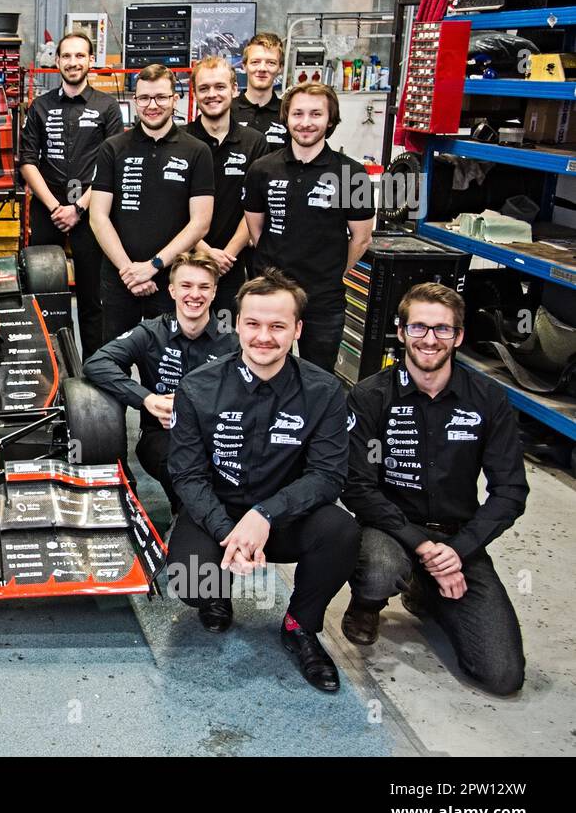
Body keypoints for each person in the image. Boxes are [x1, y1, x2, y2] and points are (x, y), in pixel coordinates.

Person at [166, 269, 359, 692]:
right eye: (253, 324)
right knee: (190, 581)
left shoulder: (324, 391)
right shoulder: (197, 388)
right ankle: (218, 589)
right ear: (237, 325)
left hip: (284, 518)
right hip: (216, 515)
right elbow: (186, 473)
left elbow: (328, 477)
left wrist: (265, 514)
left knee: (341, 530)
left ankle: (300, 625)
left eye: (277, 326)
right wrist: (228, 532)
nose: (263, 337)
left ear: (297, 329)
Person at [341, 283, 528, 695]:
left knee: (502, 676)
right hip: (390, 529)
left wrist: (456, 551)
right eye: (420, 327)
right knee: (381, 569)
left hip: (458, 538)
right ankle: (369, 602)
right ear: (401, 331)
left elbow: (510, 491)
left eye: (443, 330)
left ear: (458, 336)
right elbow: (357, 488)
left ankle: (427, 590)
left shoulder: (488, 399)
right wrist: (422, 546)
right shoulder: (370, 397)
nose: (430, 339)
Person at [82, 250, 238, 516]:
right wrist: (147, 399)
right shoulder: (151, 332)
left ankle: (199, 525)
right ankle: (189, 522)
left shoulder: (233, 342)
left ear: (214, 293)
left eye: (204, 287)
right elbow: (96, 364)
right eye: (186, 286)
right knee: (182, 465)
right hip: (161, 436)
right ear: (172, 290)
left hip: (216, 433)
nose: (195, 295)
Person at [243, 82, 374, 370]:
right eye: (297, 114)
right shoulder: (262, 169)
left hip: (323, 300)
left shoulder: (352, 173)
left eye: (315, 114)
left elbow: (362, 238)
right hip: (270, 296)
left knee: (319, 378)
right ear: (286, 118)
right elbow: (256, 231)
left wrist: (330, 272)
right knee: (264, 371)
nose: (305, 123)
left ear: (330, 120)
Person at [89, 63, 214, 342]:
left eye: (160, 97)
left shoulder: (197, 151)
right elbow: (98, 217)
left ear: (174, 99)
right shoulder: (113, 148)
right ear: (134, 101)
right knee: (113, 369)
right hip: (120, 280)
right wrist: (129, 272)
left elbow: (200, 223)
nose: (152, 105)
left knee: (166, 370)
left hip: (172, 282)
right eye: (144, 98)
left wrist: (153, 266)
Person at [18, 31, 123, 357]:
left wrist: (78, 207)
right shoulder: (40, 106)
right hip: (48, 210)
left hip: (93, 209)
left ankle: (96, 369)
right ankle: (46, 366)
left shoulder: (107, 106)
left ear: (91, 60)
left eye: (80, 56)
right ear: (57, 61)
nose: (73, 62)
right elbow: (27, 161)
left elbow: (113, 165)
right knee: (42, 293)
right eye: (67, 56)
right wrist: (55, 207)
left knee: (93, 297)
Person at [184, 56, 270, 324]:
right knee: (183, 341)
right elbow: (172, 206)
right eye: (204, 88)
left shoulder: (254, 143)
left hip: (232, 264)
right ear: (195, 94)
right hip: (187, 258)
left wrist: (228, 255)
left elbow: (255, 207)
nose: (212, 95)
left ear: (234, 89)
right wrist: (204, 250)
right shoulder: (180, 140)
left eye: (220, 87)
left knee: (225, 341)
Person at [232, 32, 287, 149]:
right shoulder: (226, 111)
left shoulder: (288, 114)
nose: (262, 68)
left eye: (271, 63)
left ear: (280, 68)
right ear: (244, 66)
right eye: (255, 62)